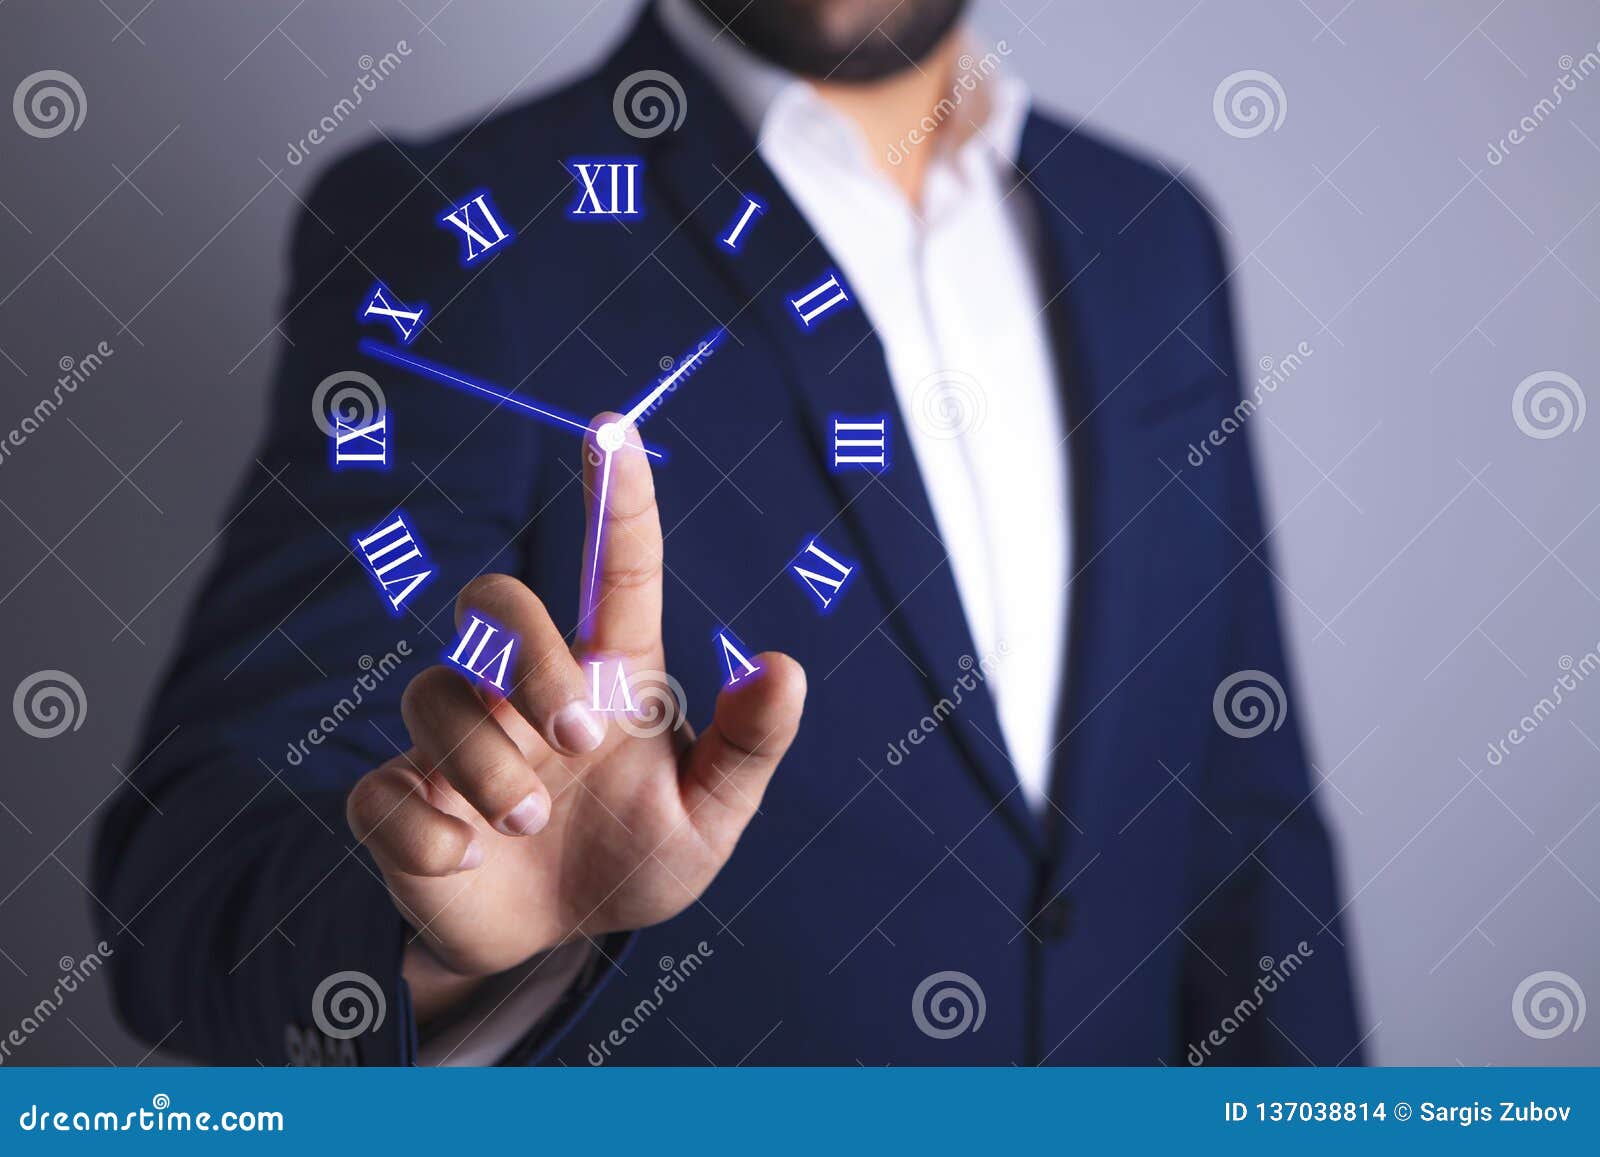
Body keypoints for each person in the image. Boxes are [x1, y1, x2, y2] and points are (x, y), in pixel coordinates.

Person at [94, 0, 1363, 1065]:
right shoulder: (465, 230)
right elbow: (185, 894)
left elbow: (1244, 808)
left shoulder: (1151, 234)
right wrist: (439, 941)